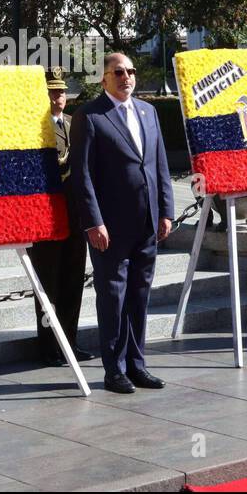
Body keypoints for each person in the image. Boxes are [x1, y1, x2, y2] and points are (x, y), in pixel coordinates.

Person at [70, 51, 174, 394]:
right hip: (109, 229)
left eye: (130, 71)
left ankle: (137, 365)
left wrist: (166, 211)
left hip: (147, 224)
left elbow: (159, 166)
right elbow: (82, 176)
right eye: (118, 72)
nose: (126, 77)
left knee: (139, 297)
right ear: (104, 78)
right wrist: (93, 222)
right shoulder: (89, 116)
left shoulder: (149, 112)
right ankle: (113, 370)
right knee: (113, 299)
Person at [27, 67, 92, 367]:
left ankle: (70, 342)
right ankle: (49, 348)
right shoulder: (33, 129)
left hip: (76, 218)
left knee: (72, 282)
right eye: (53, 92)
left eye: (62, 92)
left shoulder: (73, 124)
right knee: (47, 286)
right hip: (47, 221)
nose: (59, 97)